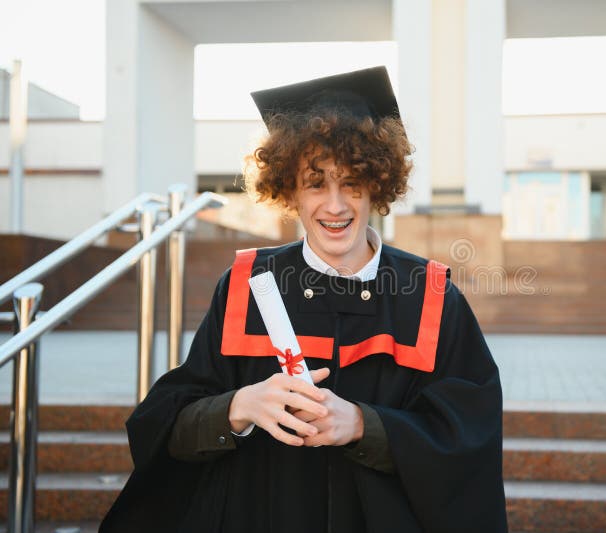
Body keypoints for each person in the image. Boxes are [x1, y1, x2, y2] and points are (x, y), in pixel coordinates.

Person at [100, 66, 508, 533]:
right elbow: (165, 422)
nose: (335, 205)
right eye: (316, 183)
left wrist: (363, 425)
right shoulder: (247, 285)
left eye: (351, 182)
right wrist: (240, 407)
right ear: (290, 190)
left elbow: (468, 435)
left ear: (377, 184)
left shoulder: (429, 295)